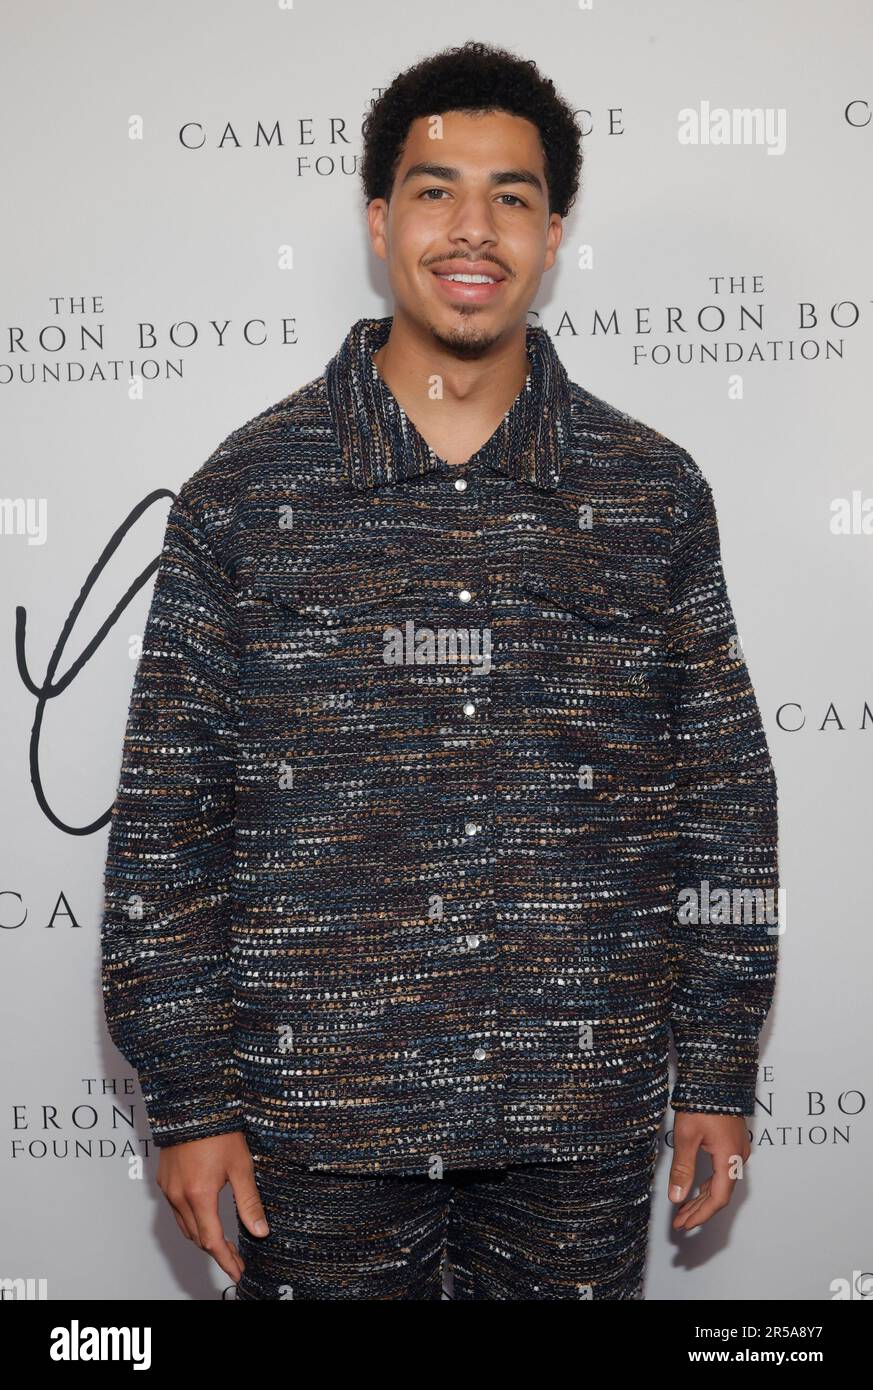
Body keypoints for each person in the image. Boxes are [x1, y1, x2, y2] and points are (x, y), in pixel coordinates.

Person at [100, 40, 779, 1300]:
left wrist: (719, 1066)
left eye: (512, 196)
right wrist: (188, 1096)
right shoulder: (248, 493)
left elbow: (723, 798)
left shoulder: (651, 493)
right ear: (379, 218)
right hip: (315, 1125)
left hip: (577, 1117)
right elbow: (167, 819)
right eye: (435, 188)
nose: (474, 227)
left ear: (555, 230)